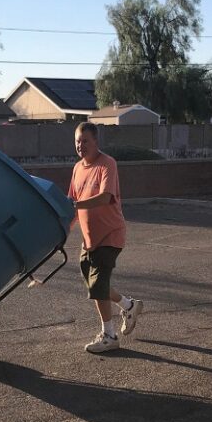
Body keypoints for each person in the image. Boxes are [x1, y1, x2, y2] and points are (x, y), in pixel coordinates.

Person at [67, 122, 143, 353]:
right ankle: (129, 306)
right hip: (89, 240)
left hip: (111, 234)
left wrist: (76, 205)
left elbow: (105, 197)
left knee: (98, 286)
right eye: (78, 141)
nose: (81, 145)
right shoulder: (77, 168)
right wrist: (63, 229)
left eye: (85, 141)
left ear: (96, 142)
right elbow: (71, 205)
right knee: (96, 285)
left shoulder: (107, 164)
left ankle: (109, 336)